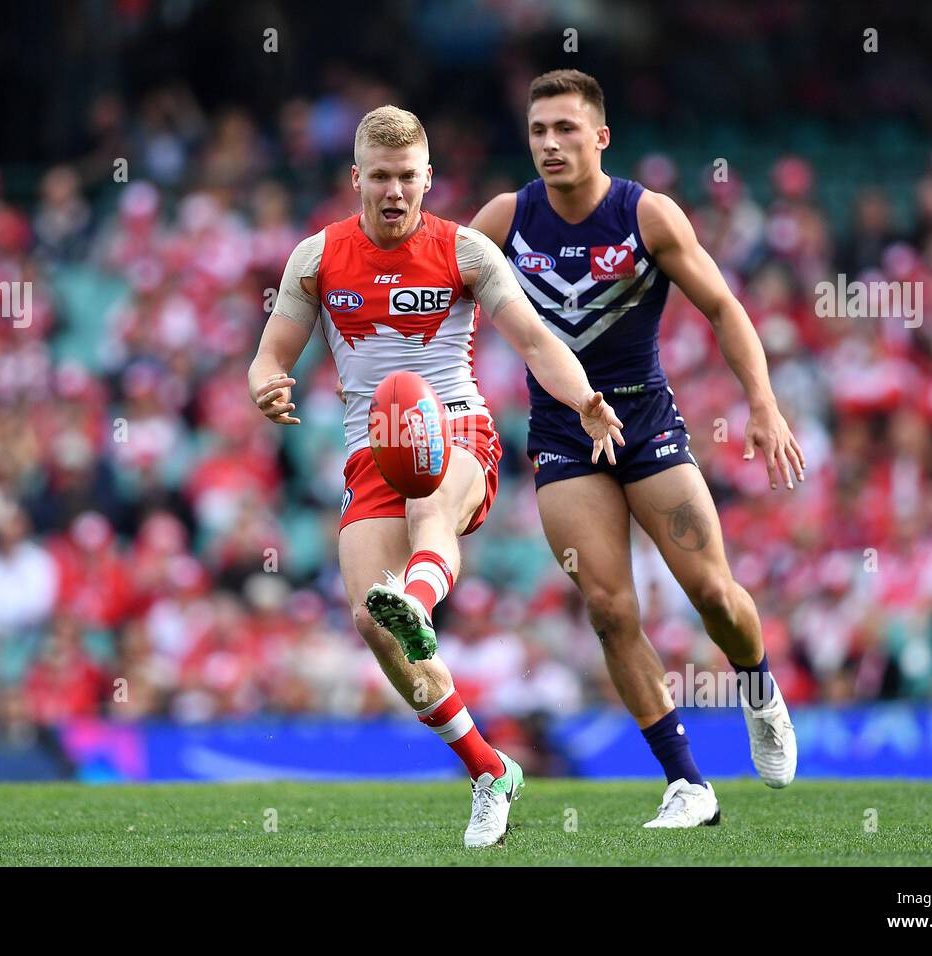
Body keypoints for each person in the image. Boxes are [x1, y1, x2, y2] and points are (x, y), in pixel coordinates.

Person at [248, 105, 622, 847]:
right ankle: (489, 770)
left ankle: (415, 599)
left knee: (429, 515)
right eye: (379, 178)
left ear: (429, 179)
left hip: (456, 428)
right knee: (367, 622)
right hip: (369, 450)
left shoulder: (468, 251)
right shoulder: (316, 258)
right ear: (356, 179)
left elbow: (535, 341)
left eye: (407, 177)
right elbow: (270, 354)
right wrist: (267, 385)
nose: (394, 191)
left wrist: (583, 397)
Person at [469, 69, 804, 827]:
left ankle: (758, 686)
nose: (550, 145)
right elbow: (439, 288)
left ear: (600, 137)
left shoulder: (645, 215)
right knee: (609, 609)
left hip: (648, 429)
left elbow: (723, 306)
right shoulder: (504, 219)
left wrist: (762, 403)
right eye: (538, 131)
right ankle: (687, 782)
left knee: (714, 595)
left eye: (565, 129)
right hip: (561, 438)